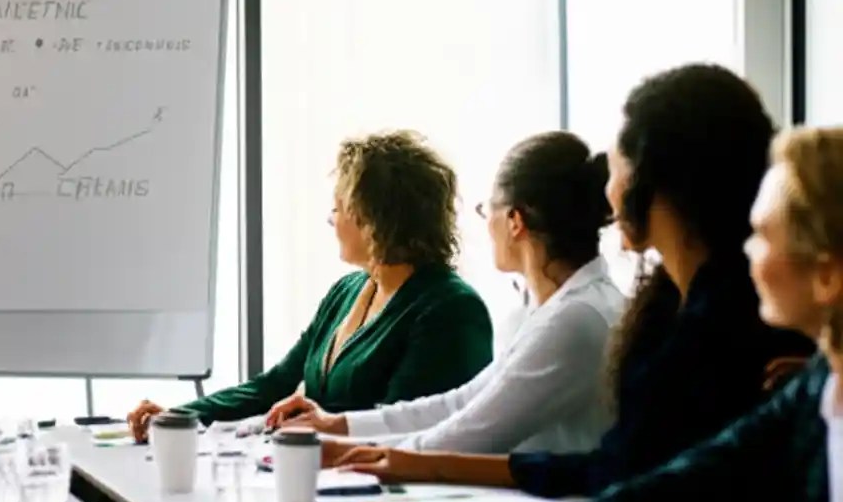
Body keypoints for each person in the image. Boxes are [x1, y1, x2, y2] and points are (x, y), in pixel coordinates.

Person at [333, 64, 815, 492]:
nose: (609, 196)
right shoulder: (665, 306)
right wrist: (353, 436)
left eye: (617, 170)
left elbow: (630, 474)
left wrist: (384, 456)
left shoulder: (643, 319)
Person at [493, 126, 843, 502]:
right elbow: (699, 474)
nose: (746, 250)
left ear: (826, 276)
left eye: (760, 235)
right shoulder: (821, 382)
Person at [266, 131, 623, 455]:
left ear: (515, 221)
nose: (486, 223)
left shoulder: (574, 320)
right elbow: (464, 403)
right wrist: (339, 426)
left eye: (487, 210)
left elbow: (474, 432)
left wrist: (349, 450)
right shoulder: (555, 309)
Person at [128, 130, 493, 440]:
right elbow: (276, 384)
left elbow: (403, 425)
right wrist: (182, 415)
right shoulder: (347, 291)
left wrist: (320, 425)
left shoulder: (450, 308)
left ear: (372, 219)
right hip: (328, 476)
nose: (331, 221)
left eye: (338, 209)